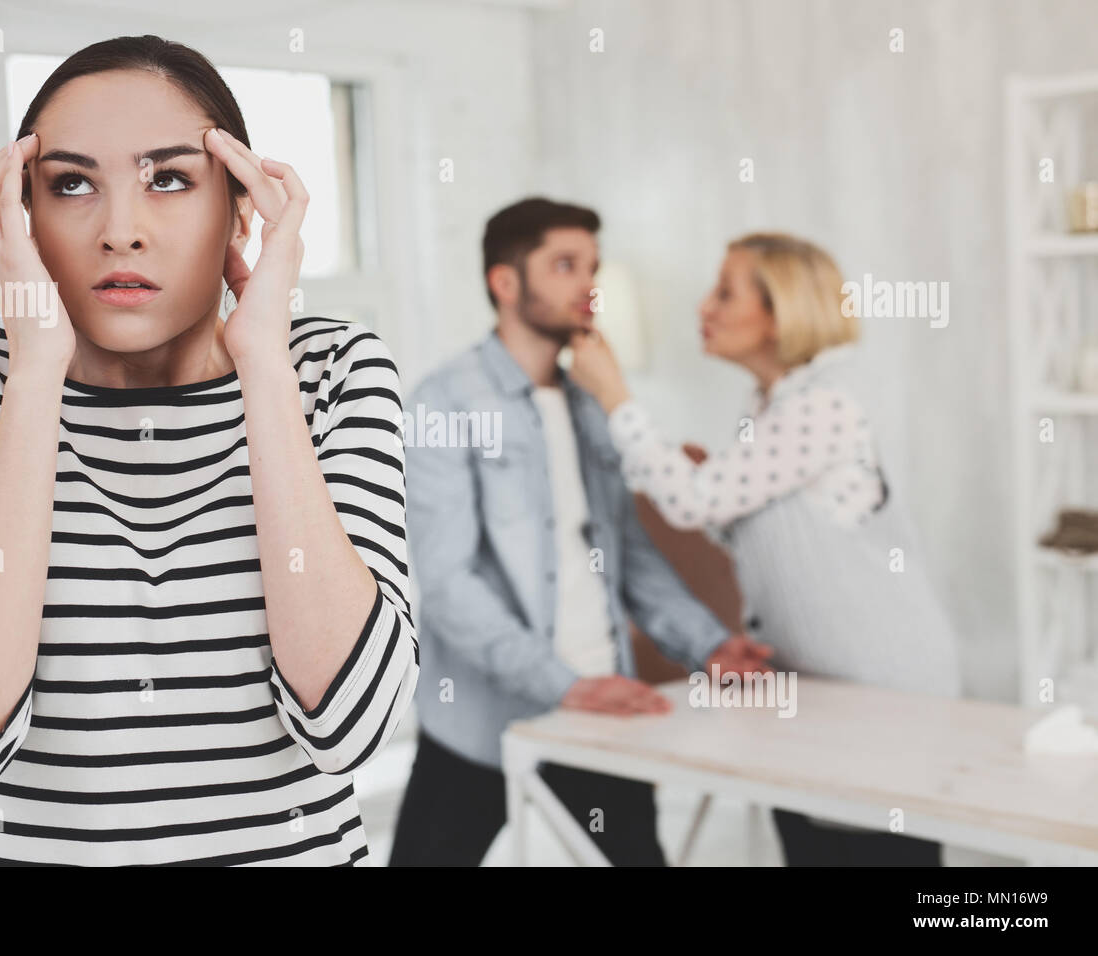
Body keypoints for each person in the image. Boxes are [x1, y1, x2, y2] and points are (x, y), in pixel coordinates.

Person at [0, 35, 417, 866]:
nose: (120, 230)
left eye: (168, 180)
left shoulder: (333, 371)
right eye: (72, 184)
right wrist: (36, 374)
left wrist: (264, 364)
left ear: (242, 209)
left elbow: (350, 725)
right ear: (21, 217)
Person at [387, 198, 772, 867]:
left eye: (592, 266)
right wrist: (561, 683)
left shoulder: (593, 402)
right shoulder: (441, 402)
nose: (587, 285)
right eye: (565, 265)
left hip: (604, 705)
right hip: (484, 719)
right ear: (505, 283)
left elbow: (629, 554)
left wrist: (707, 645)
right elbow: (448, 586)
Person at [567, 231, 962, 866]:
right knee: (812, 845)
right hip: (816, 690)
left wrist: (616, 397)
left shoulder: (825, 403)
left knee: (872, 858)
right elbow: (742, 520)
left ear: (779, 312)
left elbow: (697, 502)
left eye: (725, 292)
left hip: (884, 693)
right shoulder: (771, 406)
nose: (704, 307)